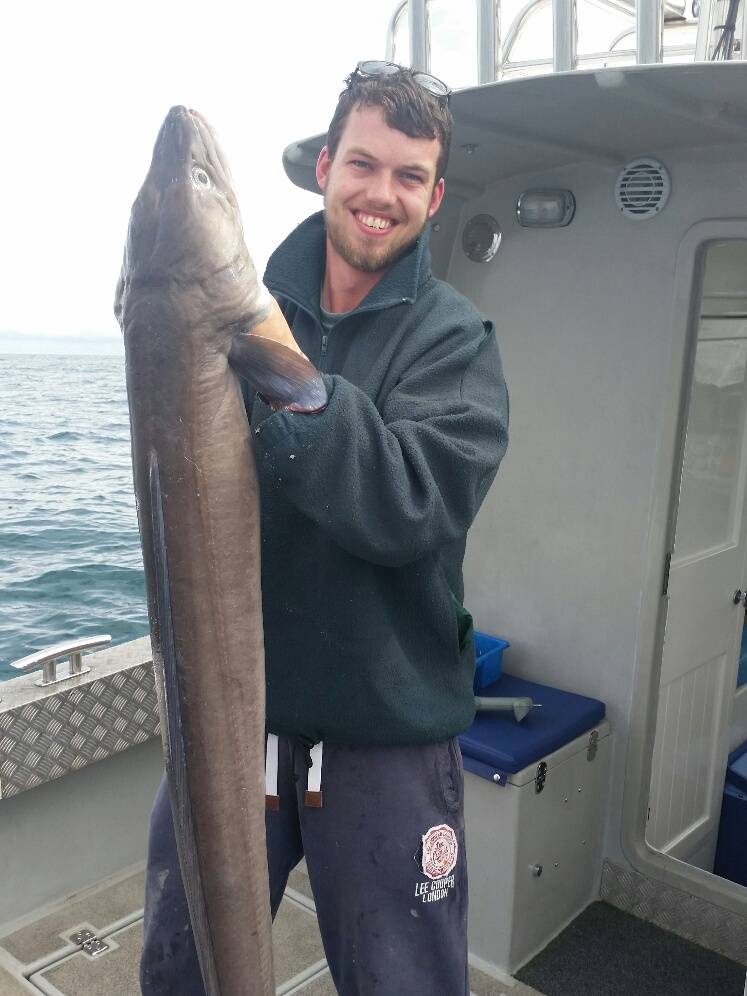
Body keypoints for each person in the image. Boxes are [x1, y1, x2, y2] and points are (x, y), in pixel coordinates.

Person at [140, 61, 509, 996]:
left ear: (434, 195)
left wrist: (268, 352)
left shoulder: (452, 341)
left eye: (409, 175)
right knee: (179, 970)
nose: (381, 193)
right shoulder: (226, 306)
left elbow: (409, 503)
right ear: (324, 169)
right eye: (363, 164)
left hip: (384, 734)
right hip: (234, 727)